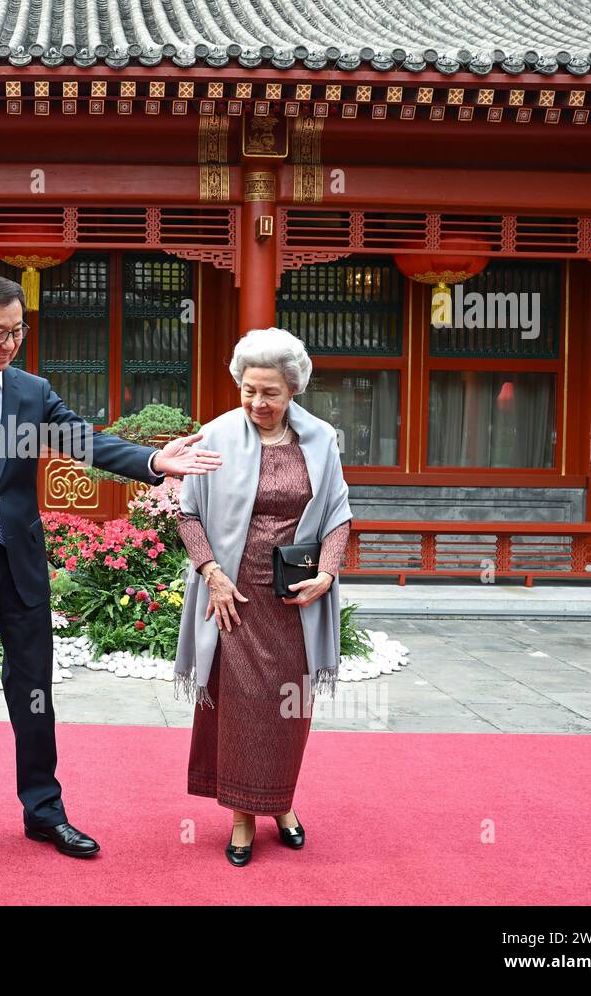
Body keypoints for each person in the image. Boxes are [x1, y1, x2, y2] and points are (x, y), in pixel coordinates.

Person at [0, 272, 222, 864]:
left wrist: (154, 459)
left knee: (36, 695)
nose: (9, 344)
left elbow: (84, 440)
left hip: (21, 569)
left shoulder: (28, 391)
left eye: (18, 331)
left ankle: (45, 811)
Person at [173, 327, 352, 867]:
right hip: (232, 599)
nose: (257, 402)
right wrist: (211, 572)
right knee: (242, 709)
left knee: (290, 708)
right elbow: (187, 512)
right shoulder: (216, 436)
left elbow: (339, 515)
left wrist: (326, 573)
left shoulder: (320, 438)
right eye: (249, 389)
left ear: (293, 388)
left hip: (295, 598)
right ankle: (242, 819)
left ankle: (284, 805)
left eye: (270, 392)